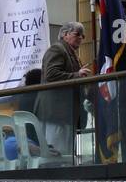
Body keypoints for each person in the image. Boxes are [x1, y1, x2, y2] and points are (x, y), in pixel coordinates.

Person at [35, 22, 91, 159]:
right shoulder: (57, 49)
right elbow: (51, 74)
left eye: (82, 36)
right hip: (56, 112)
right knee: (57, 155)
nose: (81, 38)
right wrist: (77, 75)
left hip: (65, 113)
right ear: (65, 34)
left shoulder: (70, 52)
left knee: (65, 155)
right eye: (77, 34)